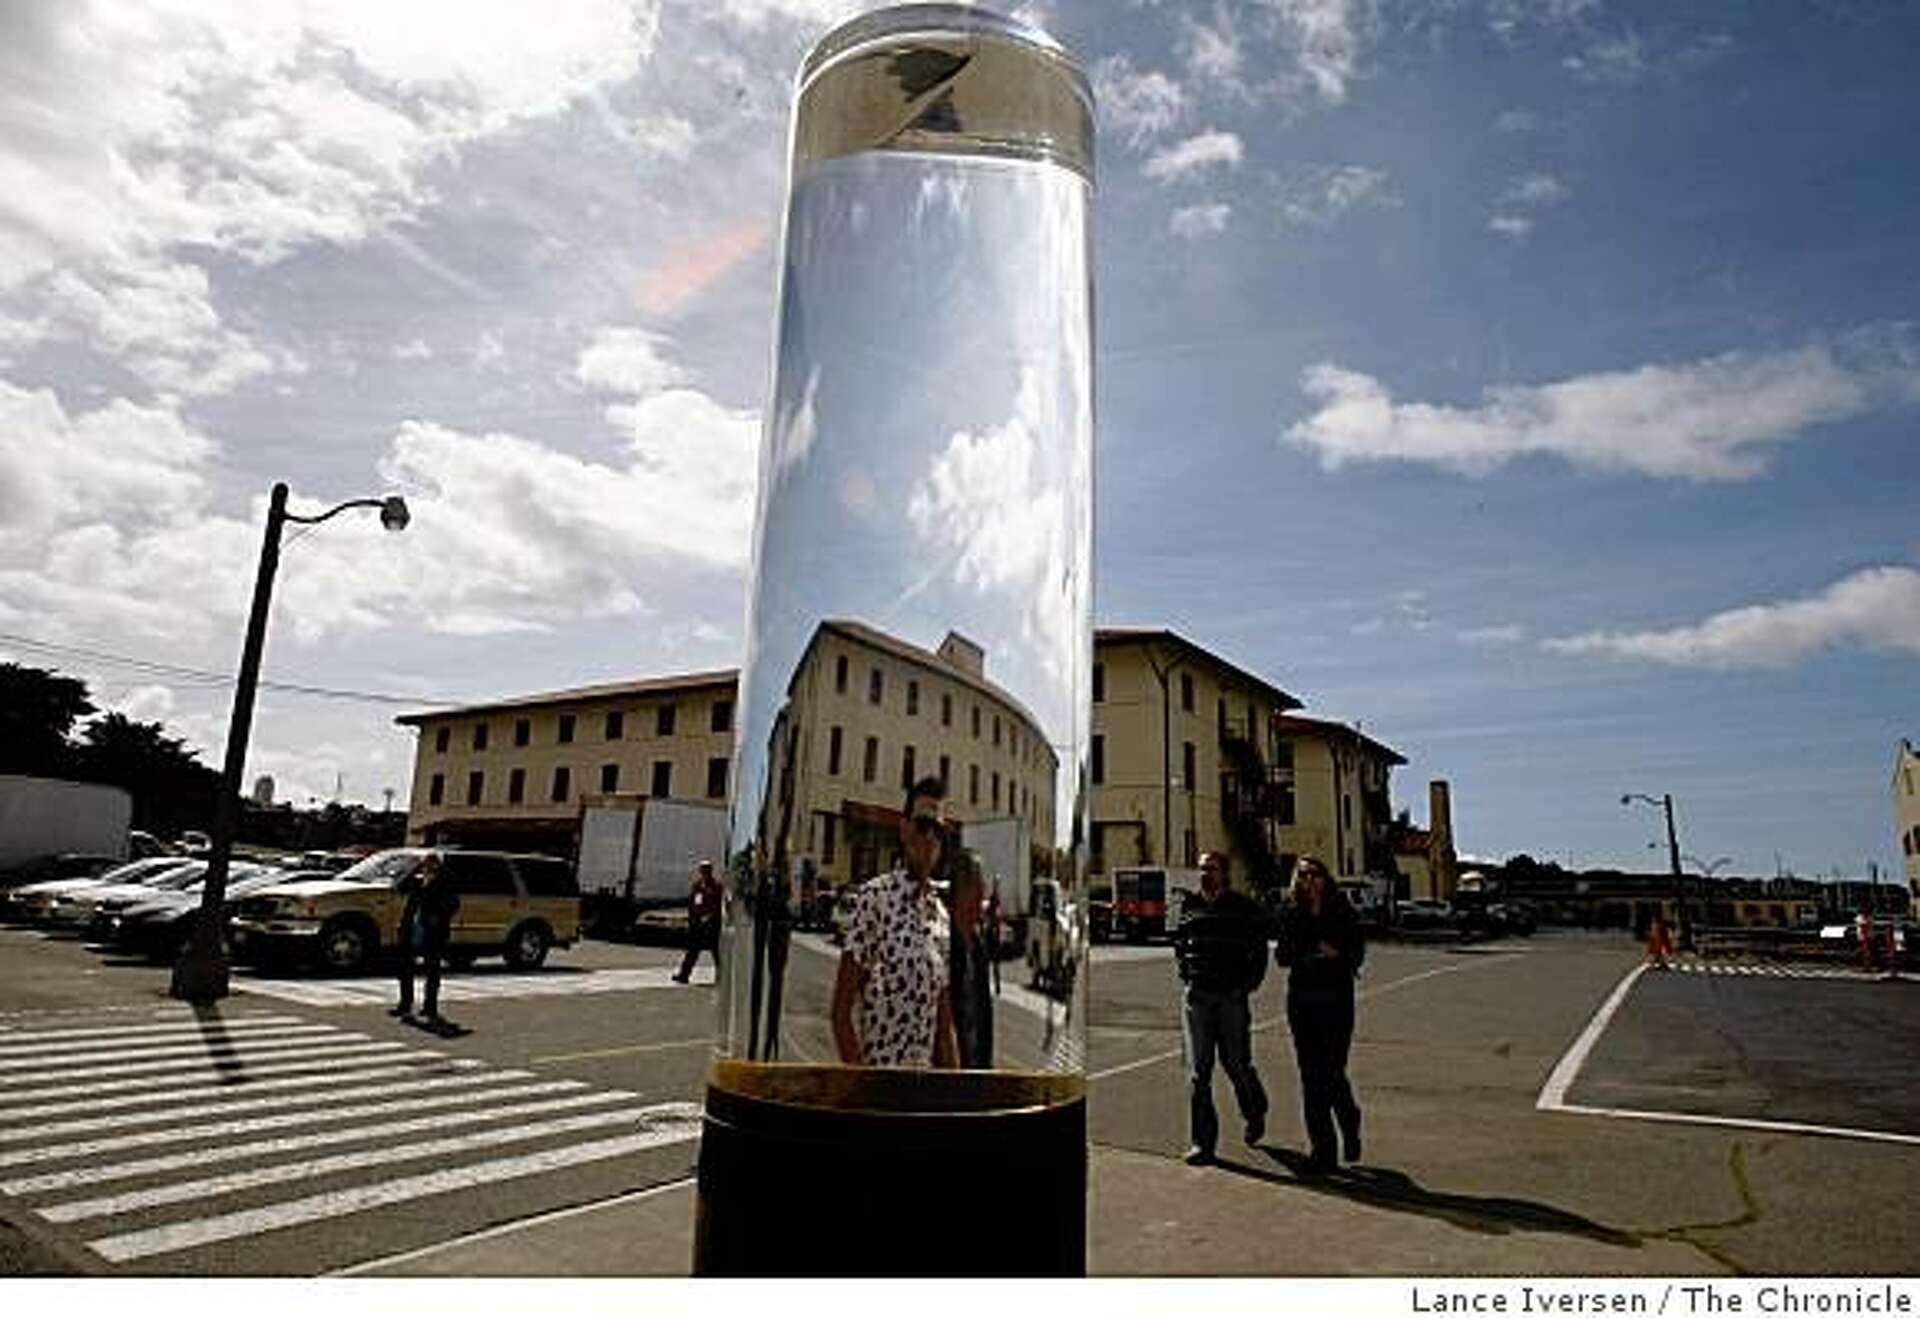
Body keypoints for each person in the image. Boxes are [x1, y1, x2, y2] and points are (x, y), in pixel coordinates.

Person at [830, 776, 959, 1068]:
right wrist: (864, 1086)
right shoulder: (875, 898)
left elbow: (944, 1030)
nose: (930, 837)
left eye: (938, 830)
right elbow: (840, 1013)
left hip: (922, 1091)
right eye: (922, 825)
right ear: (904, 829)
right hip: (879, 1085)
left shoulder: (941, 919)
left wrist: (958, 1088)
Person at [1172, 850, 1270, 1166]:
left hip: (1230, 997)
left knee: (1236, 1064)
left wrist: (1247, 985)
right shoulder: (1189, 906)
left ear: (1224, 873)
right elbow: (1180, 944)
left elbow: (1259, 949)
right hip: (1197, 997)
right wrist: (1186, 973)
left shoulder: (1242, 907)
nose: (1205, 874)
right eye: (1202, 869)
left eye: (1211, 869)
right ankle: (1203, 1144)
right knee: (1199, 1073)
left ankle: (1254, 1110)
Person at [1274, 856, 1365, 1174]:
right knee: (1310, 1076)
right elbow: (1282, 957)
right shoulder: (1290, 912)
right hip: (1302, 1001)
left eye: (1314, 874)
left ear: (1325, 878)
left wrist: (1338, 954)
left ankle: (1349, 1119)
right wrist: (1301, 950)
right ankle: (1323, 1151)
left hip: (1336, 1000)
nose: (1308, 880)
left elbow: (1357, 954)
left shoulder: (1343, 912)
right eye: (1302, 875)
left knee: (1332, 1072)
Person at [391, 853, 460, 1027]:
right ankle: (405, 1004)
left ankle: (430, 1007)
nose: (427, 867)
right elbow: (400, 888)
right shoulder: (417, 880)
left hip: (433, 932)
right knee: (405, 967)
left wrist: (438, 917)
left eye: (431, 863)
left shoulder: (445, 882)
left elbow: (453, 904)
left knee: (432, 970)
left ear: (438, 865)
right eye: (425, 864)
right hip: (412, 928)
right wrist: (413, 871)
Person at [946, 848, 994, 1068]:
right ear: (961, 891)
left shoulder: (978, 945)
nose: (984, 893)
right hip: (951, 1069)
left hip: (977, 1068)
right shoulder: (943, 941)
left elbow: (983, 1013)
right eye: (978, 885)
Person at [674, 860, 723, 984]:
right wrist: (692, 919)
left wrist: (710, 916)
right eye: (702, 870)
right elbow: (693, 903)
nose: (704, 872)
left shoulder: (716, 886)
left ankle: (722, 976)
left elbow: (717, 905)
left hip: (712, 924)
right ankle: (684, 975)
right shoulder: (697, 885)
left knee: (717, 952)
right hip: (698, 923)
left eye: (706, 870)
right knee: (692, 950)